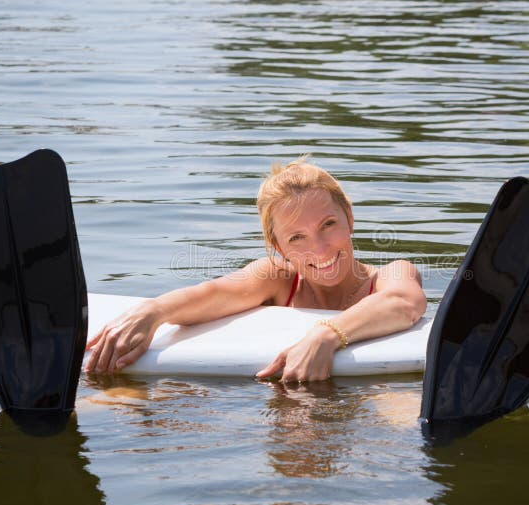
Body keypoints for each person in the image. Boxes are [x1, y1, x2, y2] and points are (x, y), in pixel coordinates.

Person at [84, 156, 427, 382]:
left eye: (328, 224)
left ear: (349, 217)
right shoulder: (277, 278)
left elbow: (402, 303)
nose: (319, 248)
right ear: (278, 247)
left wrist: (326, 335)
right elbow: (214, 294)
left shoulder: (392, 273)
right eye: (297, 237)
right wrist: (153, 312)